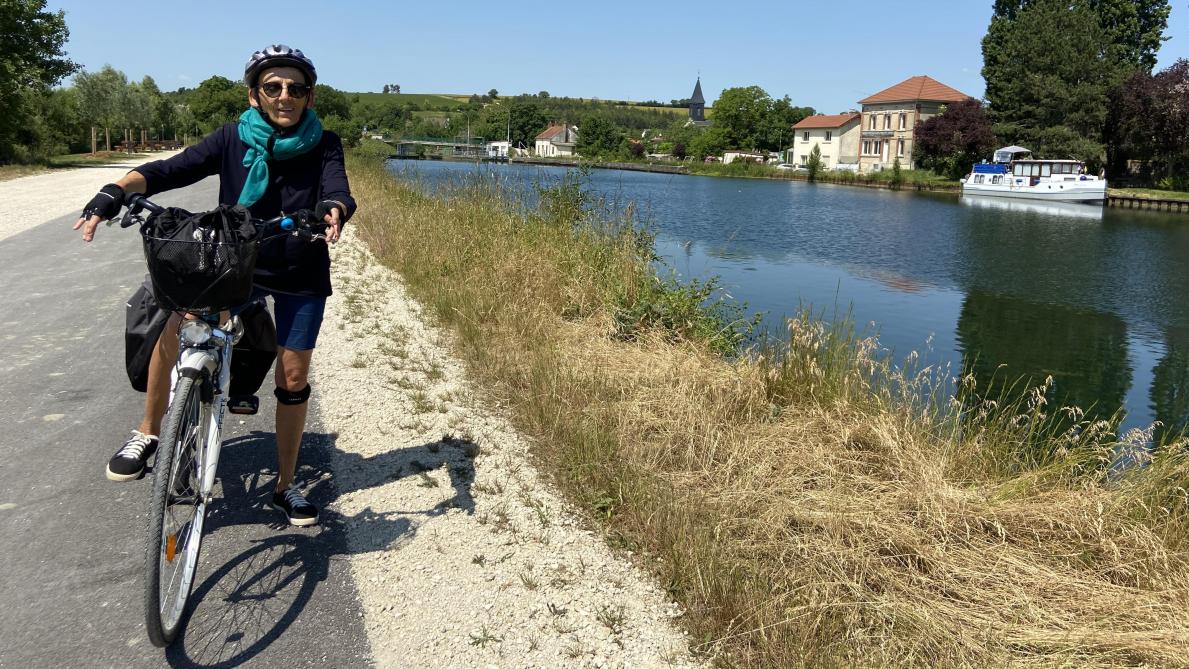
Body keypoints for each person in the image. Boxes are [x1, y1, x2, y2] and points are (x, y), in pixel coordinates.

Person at [74, 45, 355, 526]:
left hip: (299, 266)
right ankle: (148, 432)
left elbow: (337, 187)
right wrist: (115, 190)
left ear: (308, 97)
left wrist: (334, 210)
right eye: (273, 87)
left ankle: (285, 487)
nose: (285, 95)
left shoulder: (325, 142)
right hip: (233, 260)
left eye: (296, 88)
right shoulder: (231, 139)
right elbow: (171, 170)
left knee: (292, 377)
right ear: (254, 95)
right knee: (180, 321)